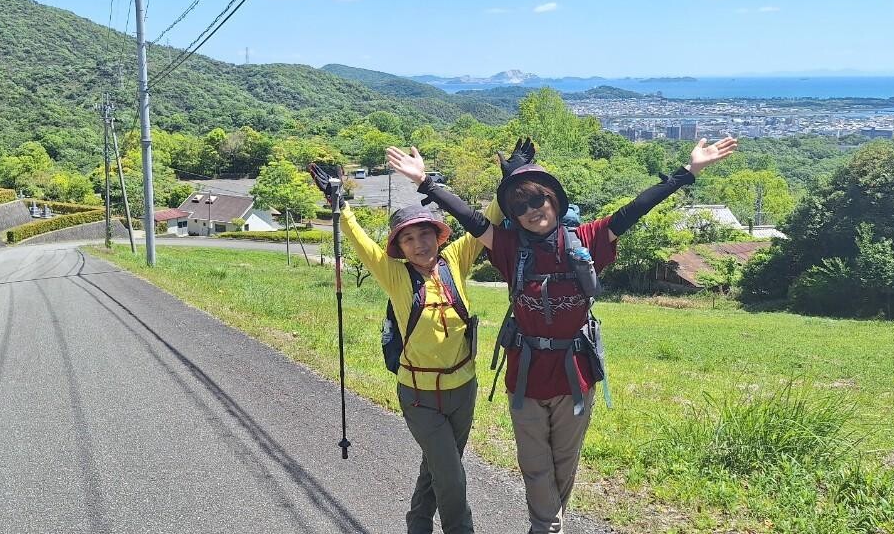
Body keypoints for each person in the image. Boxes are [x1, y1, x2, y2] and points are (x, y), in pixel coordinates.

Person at [390, 137, 737, 534]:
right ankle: (547, 528)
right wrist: (426, 183)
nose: (532, 211)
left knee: (563, 463)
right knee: (534, 464)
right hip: (526, 374)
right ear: (513, 216)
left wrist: (687, 172)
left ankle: (547, 524)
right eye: (519, 207)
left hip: (576, 373)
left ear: (555, 201)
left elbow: (634, 210)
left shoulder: (585, 239)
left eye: (538, 201)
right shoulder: (508, 247)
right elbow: (471, 219)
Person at [308, 159, 505, 534]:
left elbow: (485, 222)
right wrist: (340, 204)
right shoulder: (394, 275)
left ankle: (417, 524)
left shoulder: (456, 260)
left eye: (424, 234)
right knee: (452, 478)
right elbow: (361, 243)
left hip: (463, 391)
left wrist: (508, 182)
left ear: (437, 234)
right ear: (399, 246)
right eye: (408, 238)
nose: (419, 244)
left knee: (437, 467)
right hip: (419, 397)